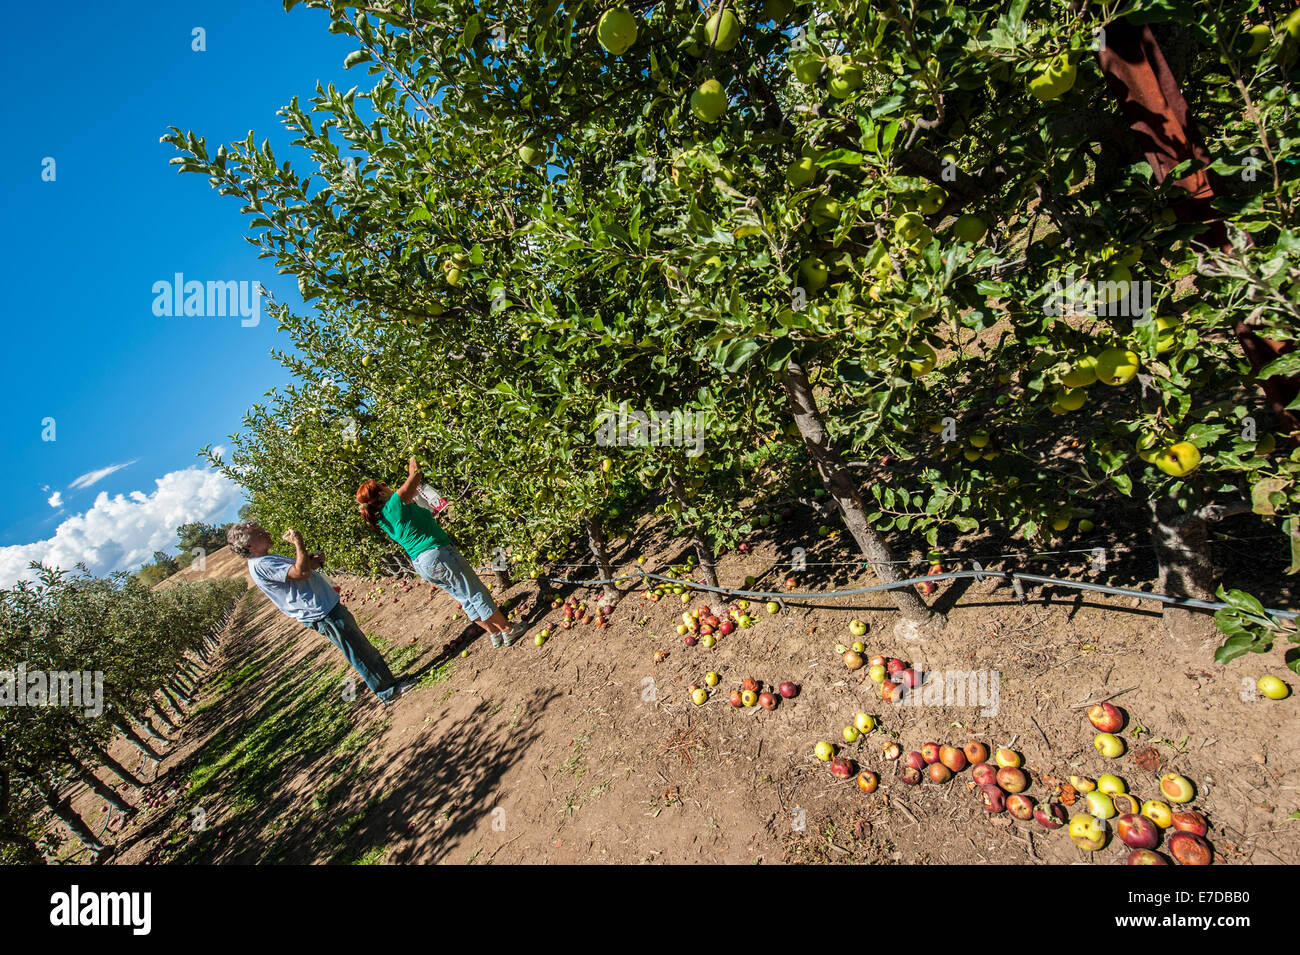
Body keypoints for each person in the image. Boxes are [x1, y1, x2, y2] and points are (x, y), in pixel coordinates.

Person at [226, 522, 415, 704]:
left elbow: (301, 571)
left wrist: (312, 562)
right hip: (320, 613)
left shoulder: (266, 559)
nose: (267, 533)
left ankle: (390, 682)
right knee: (359, 652)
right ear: (249, 546)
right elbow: (301, 573)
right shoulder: (262, 564)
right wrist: (298, 542)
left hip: (324, 608)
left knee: (362, 647)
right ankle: (388, 691)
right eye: (260, 534)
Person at [356, 457, 521, 648]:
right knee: (475, 592)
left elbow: (413, 512)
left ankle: (494, 634)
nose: (387, 486)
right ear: (380, 493)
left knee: (465, 599)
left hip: (422, 564)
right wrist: (412, 456)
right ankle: (508, 630)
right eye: (382, 485)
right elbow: (415, 475)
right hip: (437, 554)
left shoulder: (383, 520)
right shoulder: (393, 505)